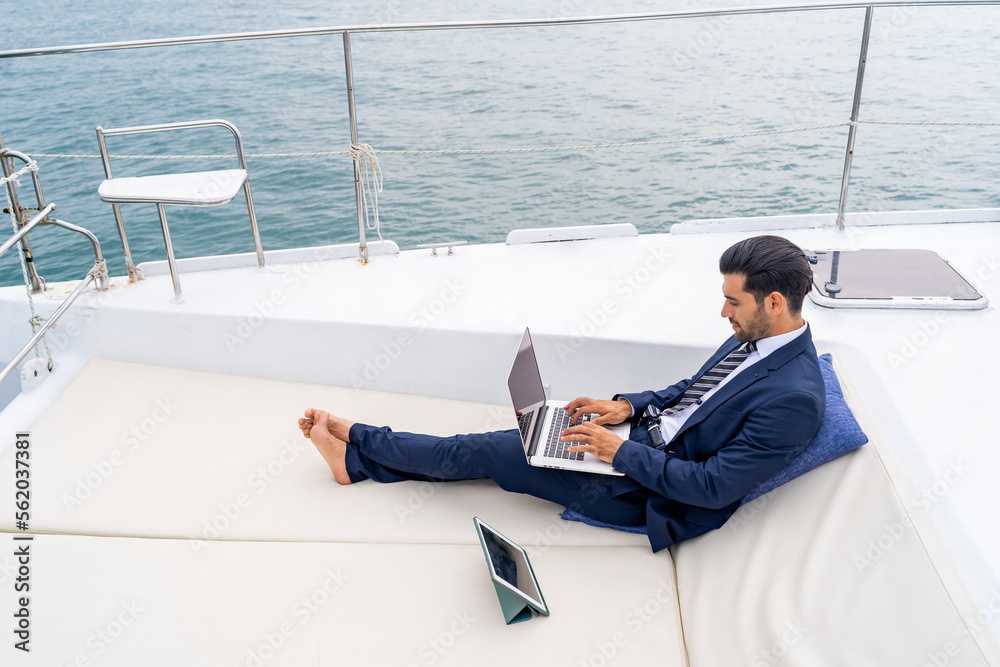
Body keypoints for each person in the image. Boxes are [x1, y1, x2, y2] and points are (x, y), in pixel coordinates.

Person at [298, 235, 825, 552]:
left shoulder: (793, 400)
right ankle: (359, 456)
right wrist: (626, 407)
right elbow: (693, 392)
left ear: (773, 302)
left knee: (486, 449)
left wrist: (618, 452)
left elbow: (711, 488)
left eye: (733, 302)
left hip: (646, 490)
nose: (723, 312)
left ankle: (357, 450)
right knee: (520, 440)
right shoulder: (757, 338)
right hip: (638, 439)